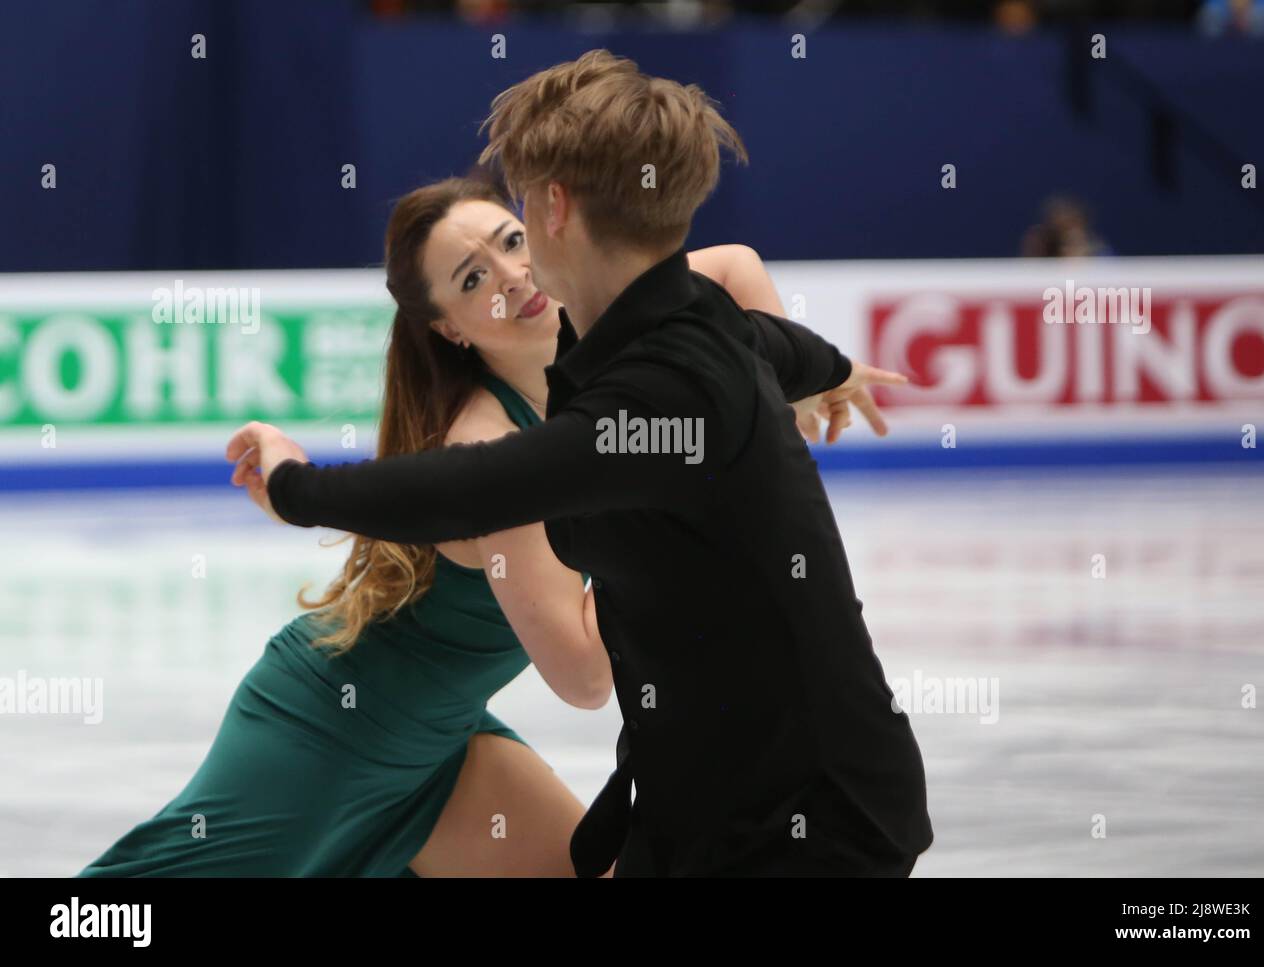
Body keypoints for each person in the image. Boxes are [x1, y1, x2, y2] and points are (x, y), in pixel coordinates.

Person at [232, 49, 934, 876]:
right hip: (705, 804)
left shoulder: (660, 392)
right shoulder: (675, 324)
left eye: (518, 214)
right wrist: (835, 368)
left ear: (554, 207)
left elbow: (486, 483)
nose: (512, 258)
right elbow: (772, 342)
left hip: (804, 820)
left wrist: (294, 487)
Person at [79, 175, 854, 876]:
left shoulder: (606, 321)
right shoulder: (493, 452)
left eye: (513, 242)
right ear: (450, 328)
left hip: (438, 744)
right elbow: (584, 674)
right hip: (324, 734)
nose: (512, 277)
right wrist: (704, 523)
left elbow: (735, 268)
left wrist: (816, 378)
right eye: (472, 278)